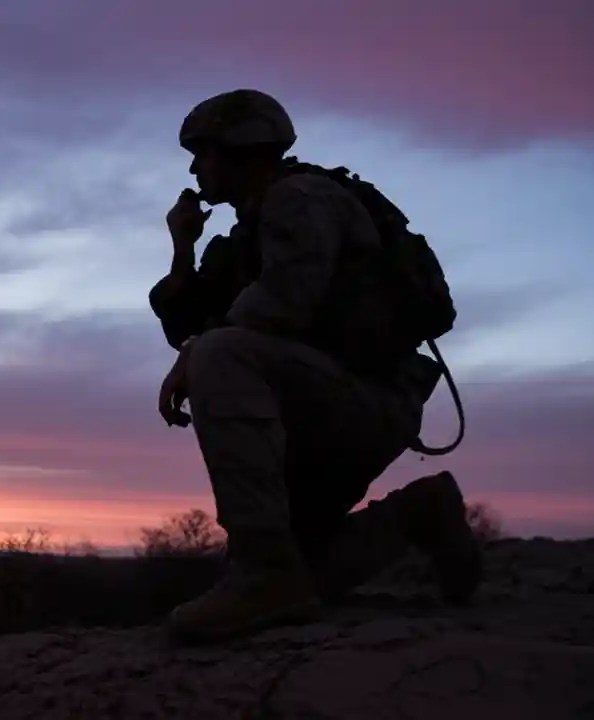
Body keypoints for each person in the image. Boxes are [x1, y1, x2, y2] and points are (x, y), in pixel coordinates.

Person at [150, 89, 482, 643]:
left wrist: (195, 353)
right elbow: (186, 325)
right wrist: (183, 248)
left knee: (219, 355)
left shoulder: (301, 199)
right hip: (322, 409)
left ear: (243, 149)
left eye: (203, 152)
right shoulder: (247, 235)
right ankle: (418, 513)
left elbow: (282, 305)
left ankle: (264, 573)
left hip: (363, 401)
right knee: (310, 571)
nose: (193, 167)